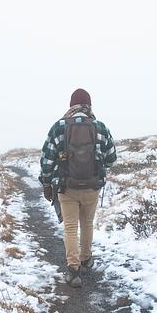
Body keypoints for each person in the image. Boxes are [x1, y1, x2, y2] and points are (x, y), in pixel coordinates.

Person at [39, 88, 117, 287]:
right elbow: (111, 158)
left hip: (67, 187)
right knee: (87, 223)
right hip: (92, 186)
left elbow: (47, 159)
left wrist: (46, 182)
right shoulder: (100, 127)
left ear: (71, 105)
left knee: (71, 227)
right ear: (89, 105)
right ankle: (86, 259)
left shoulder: (59, 127)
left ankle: (73, 270)